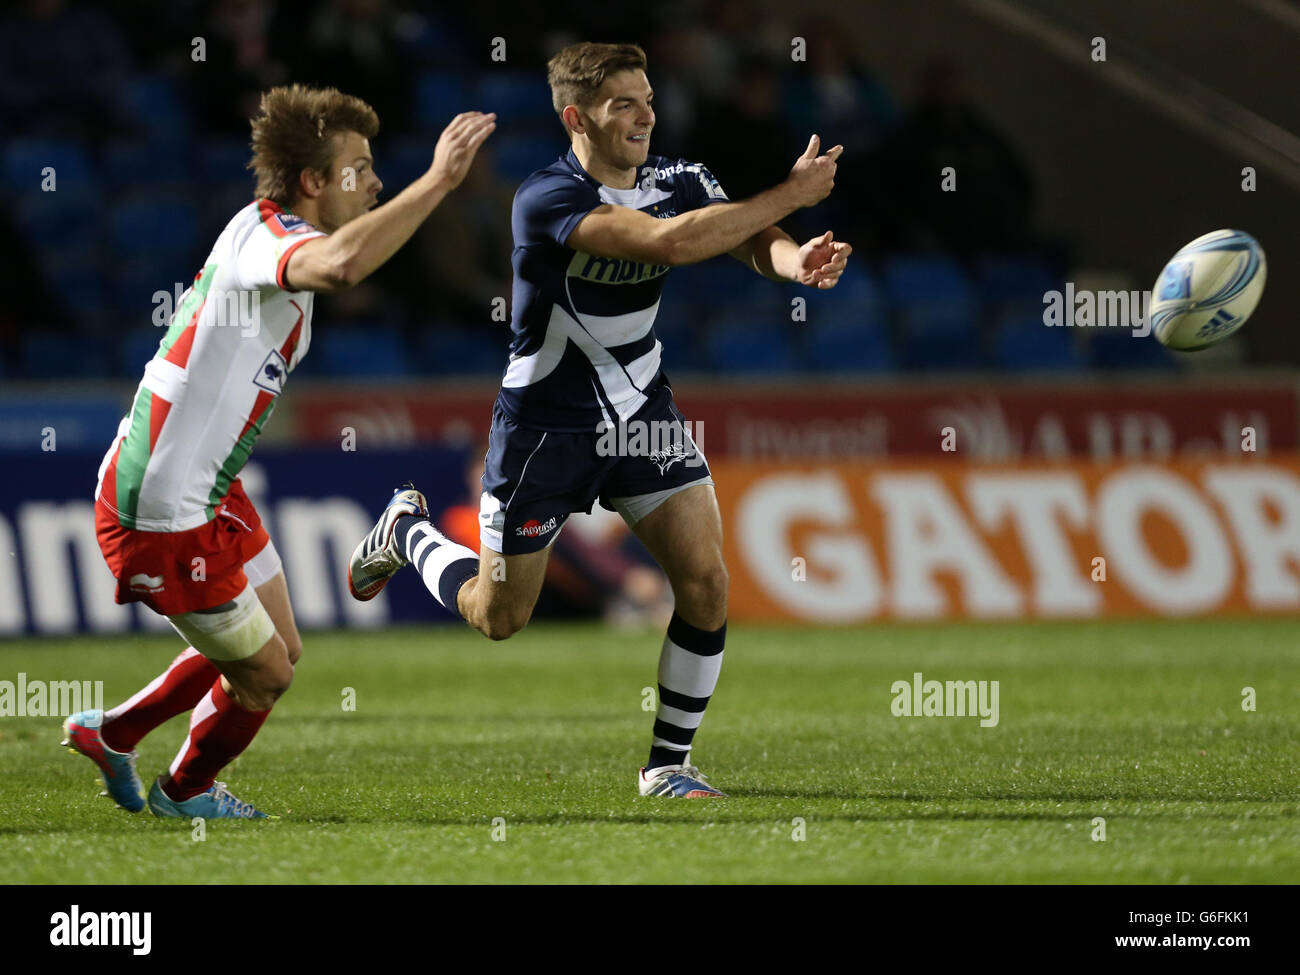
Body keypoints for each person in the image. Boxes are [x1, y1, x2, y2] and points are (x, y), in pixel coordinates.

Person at [348, 42, 851, 798]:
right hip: (545, 426)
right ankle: (407, 532)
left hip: (642, 409)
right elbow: (672, 243)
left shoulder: (679, 177)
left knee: (706, 580)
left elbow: (743, 235)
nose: (647, 114)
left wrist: (792, 259)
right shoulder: (545, 197)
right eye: (625, 103)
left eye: (648, 97)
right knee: (500, 614)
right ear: (577, 117)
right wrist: (792, 192)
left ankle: (668, 765)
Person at [63, 85, 494, 819]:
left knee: (279, 647)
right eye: (360, 168)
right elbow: (340, 267)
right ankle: (184, 791)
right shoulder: (264, 235)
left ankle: (114, 731)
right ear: (313, 182)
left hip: (210, 485)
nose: (376, 181)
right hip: (162, 506)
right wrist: (438, 181)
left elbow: (340, 263)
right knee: (264, 675)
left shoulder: (285, 239)